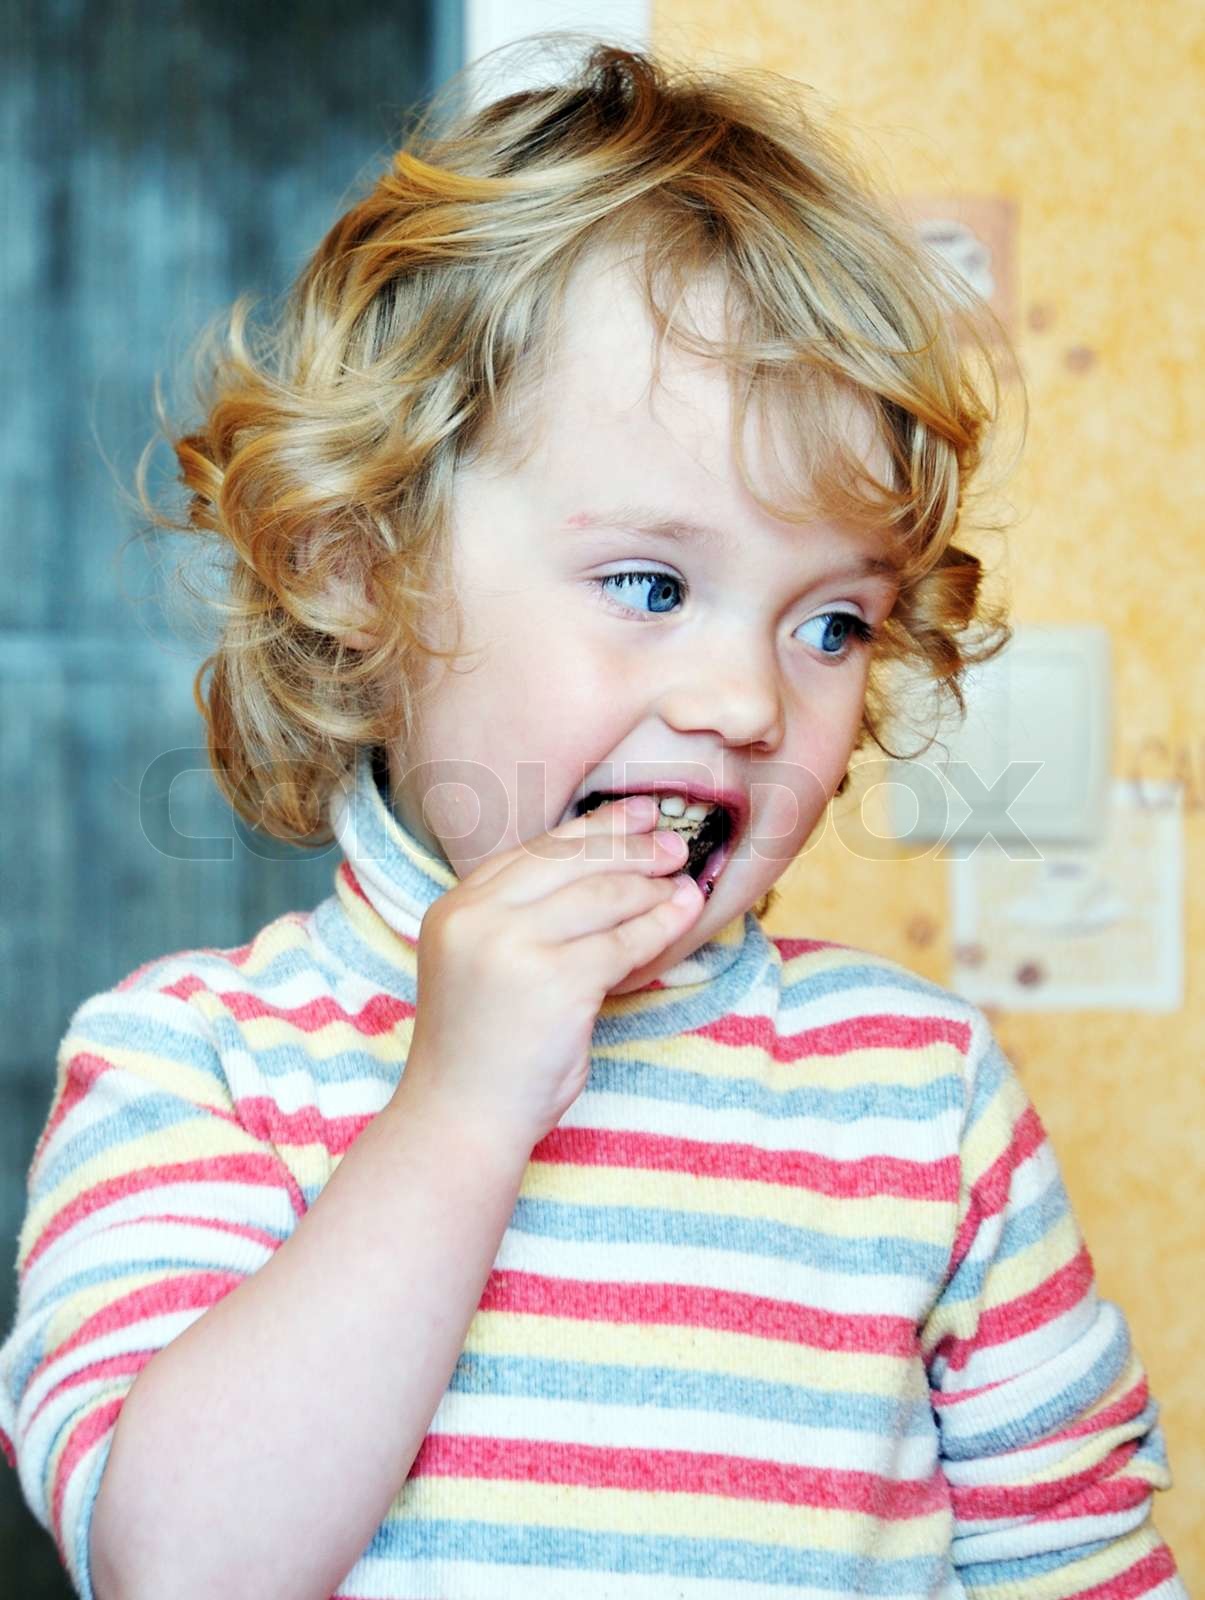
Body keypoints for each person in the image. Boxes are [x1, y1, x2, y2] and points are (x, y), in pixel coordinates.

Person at [0, 36, 1186, 1600]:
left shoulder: (924, 1099)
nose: (752, 704)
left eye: (829, 623)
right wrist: (460, 1109)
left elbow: (1079, 1564)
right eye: (650, 584)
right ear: (362, 569)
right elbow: (183, 1566)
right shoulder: (196, 1063)